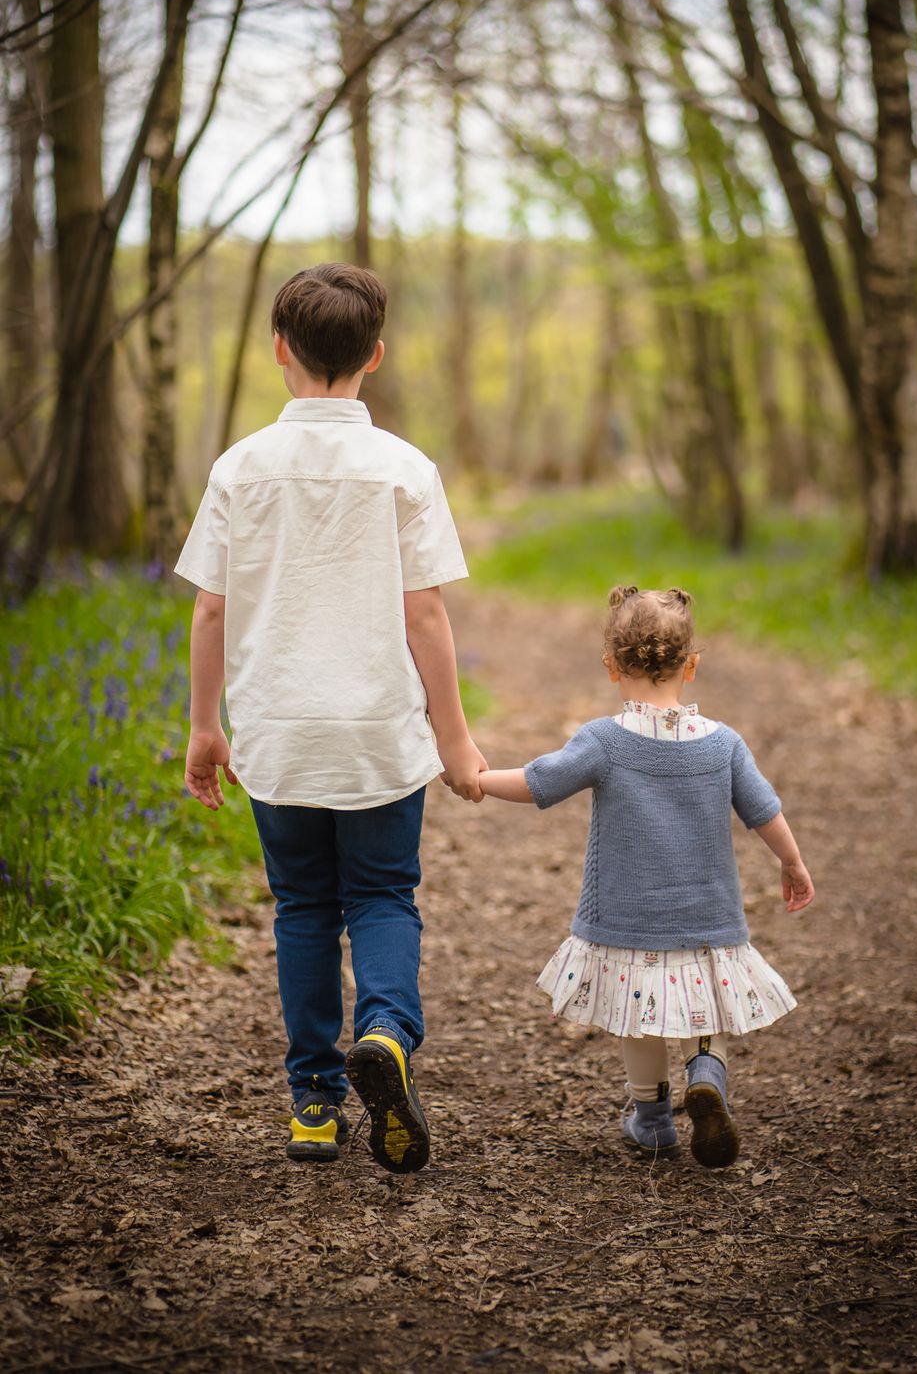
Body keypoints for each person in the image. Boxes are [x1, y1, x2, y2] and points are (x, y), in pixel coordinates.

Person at [175, 262, 486, 1175]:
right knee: (384, 895)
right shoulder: (403, 469)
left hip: (278, 734)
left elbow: (210, 609)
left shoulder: (240, 468)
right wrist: (455, 736)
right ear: (375, 357)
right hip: (378, 734)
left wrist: (205, 727)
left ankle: (313, 1103)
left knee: (303, 908)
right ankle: (385, 1035)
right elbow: (425, 612)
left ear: (280, 351)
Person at [478, 585, 814, 1168]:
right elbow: (764, 810)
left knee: (641, 1013)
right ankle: (706, 1070)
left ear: (611, 666)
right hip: (708, 915)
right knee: (704, 1002)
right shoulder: (724, 744)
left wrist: (477, 778)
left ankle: (653, 1120)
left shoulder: (605, 742)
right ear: (692, 665)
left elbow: (540, 783)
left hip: (629, 918)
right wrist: (792, 861)